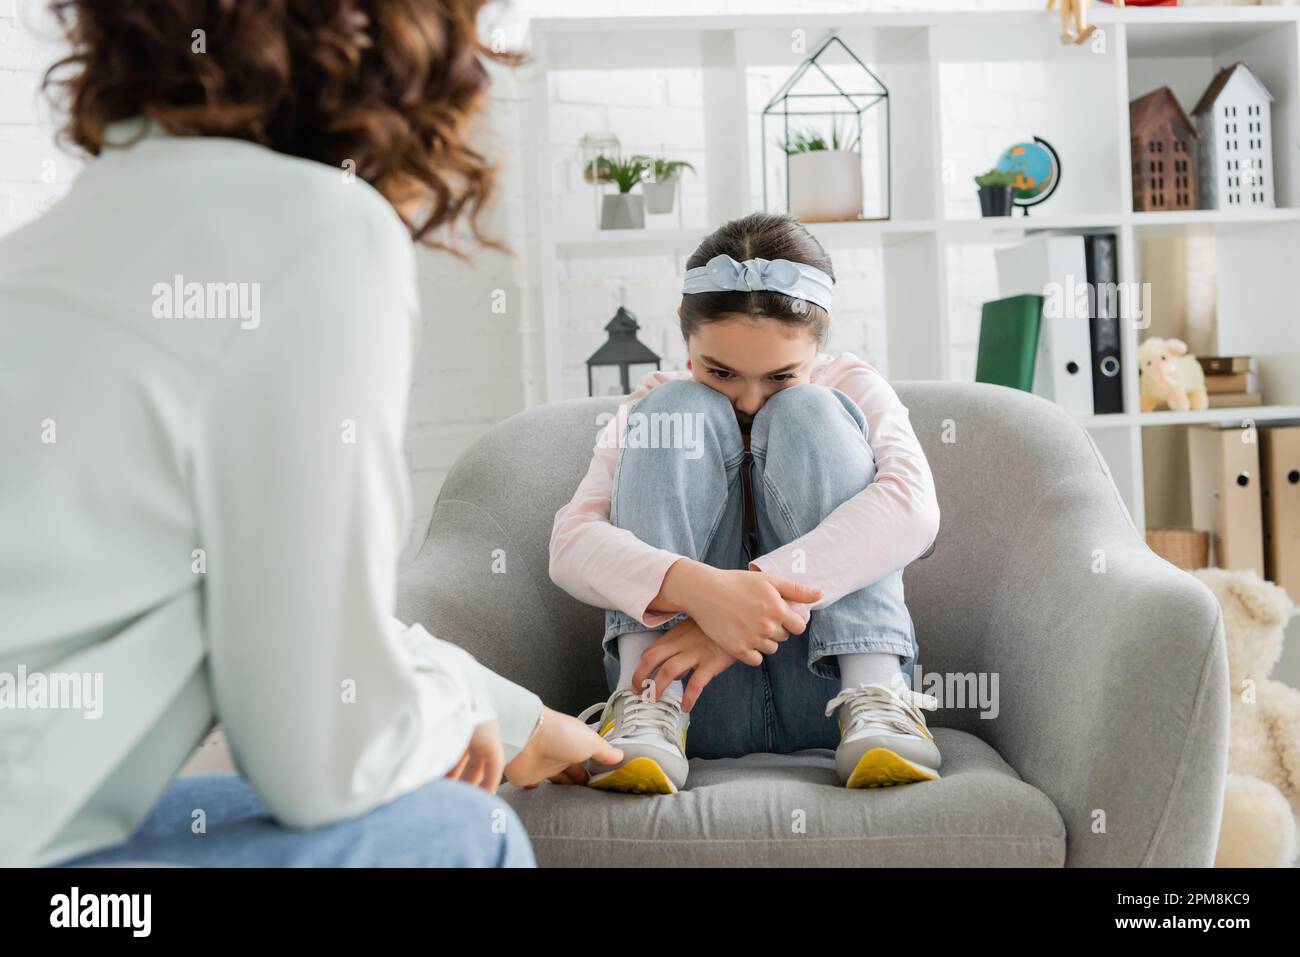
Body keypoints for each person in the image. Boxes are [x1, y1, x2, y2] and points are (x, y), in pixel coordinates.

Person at [0, 0, 619, 868]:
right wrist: (455, 704)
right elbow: (319, 759)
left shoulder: (46, 247)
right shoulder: (317, 228)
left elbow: (288, 602)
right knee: (459, 833)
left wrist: (512, 713)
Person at [547, 212, 943, 795]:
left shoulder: (850, 385)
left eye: (780, 375)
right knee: (676, 411)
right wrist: (702, 593)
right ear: (685, 331)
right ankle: (645, 707)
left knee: (811, 410)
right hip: (687, 692)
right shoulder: (652, 407)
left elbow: (913, 510)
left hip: (830, 692)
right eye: (721, 372)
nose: (750, 399)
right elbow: (571, 545)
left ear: (820, 340)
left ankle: (877, 694)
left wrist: (744, 605)